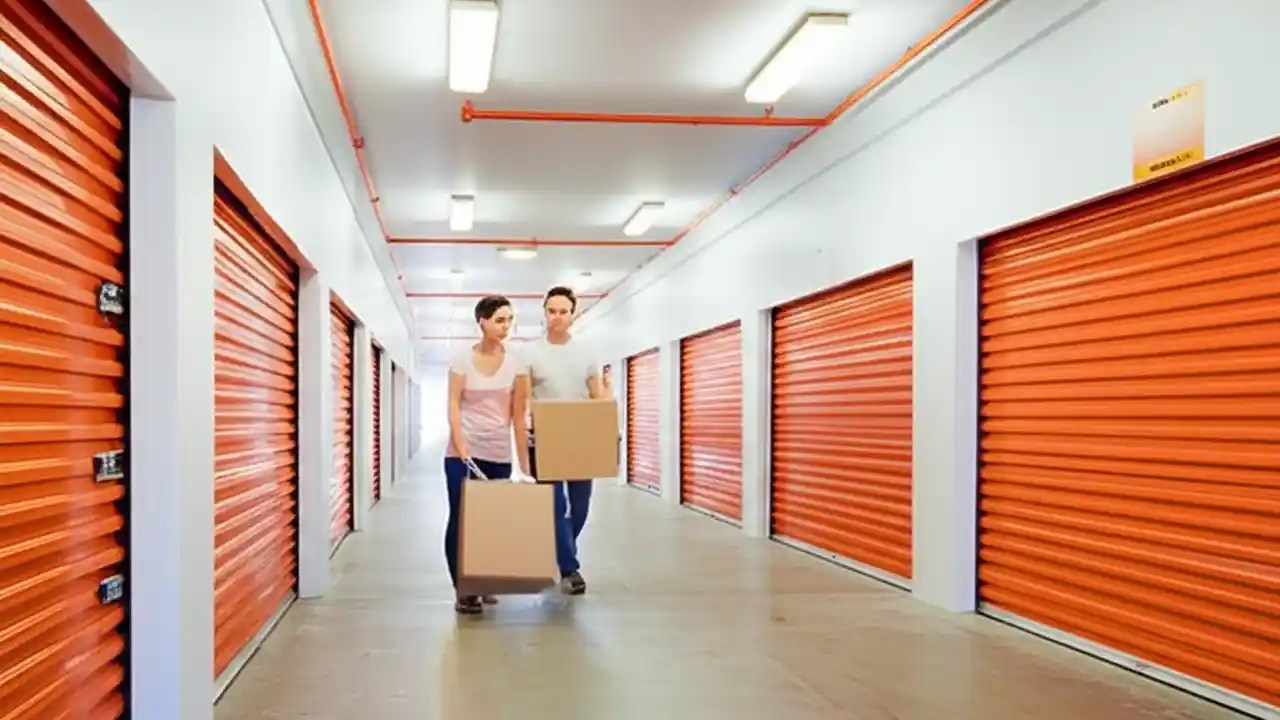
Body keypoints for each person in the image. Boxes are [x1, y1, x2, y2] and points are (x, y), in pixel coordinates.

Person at [444, 295, 530, 614]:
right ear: (482, 321)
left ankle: (484, 580)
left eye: (509, 320)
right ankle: (463, 588)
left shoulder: (517, 362)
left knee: (490, 523)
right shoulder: (461, 359)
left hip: (498, 452)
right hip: (461, 453)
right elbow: (453, 403)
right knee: (461, 519)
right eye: (499, 320)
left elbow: (518, 414)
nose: (506, 326)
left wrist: (524, 464)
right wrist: (460, 444)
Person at [516, 286, 605, 596]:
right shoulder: (529, 352)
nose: (557, 317)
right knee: (555, 505)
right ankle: (569, 567)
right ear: (544, 313)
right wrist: (524, 429)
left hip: (580, 438)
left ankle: (561, 552)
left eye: (563, 312)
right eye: (551, 311)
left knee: (580, 506)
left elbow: (599, 396)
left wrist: (606, 427)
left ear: (573, 315)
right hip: (545, 439)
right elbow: (525, 398)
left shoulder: (586, 353)